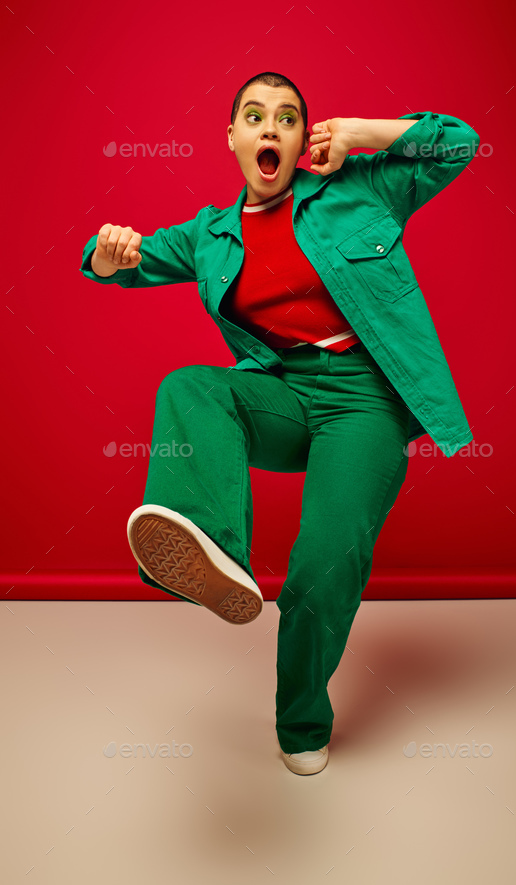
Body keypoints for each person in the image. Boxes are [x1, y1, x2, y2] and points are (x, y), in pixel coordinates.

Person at [79, 71, 480, 776]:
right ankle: (217, 549)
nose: (271, 127)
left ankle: (300, 722)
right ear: (233, 138)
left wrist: (360, 133)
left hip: (365, 402)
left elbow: (457, 144)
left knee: (322, 567)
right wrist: (105, 255)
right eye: (255, 116)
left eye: (288, 118)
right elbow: (120, 262)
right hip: (285, 395)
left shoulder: (358, 189)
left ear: (303, 141)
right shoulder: (210, 234)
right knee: (189, 387)